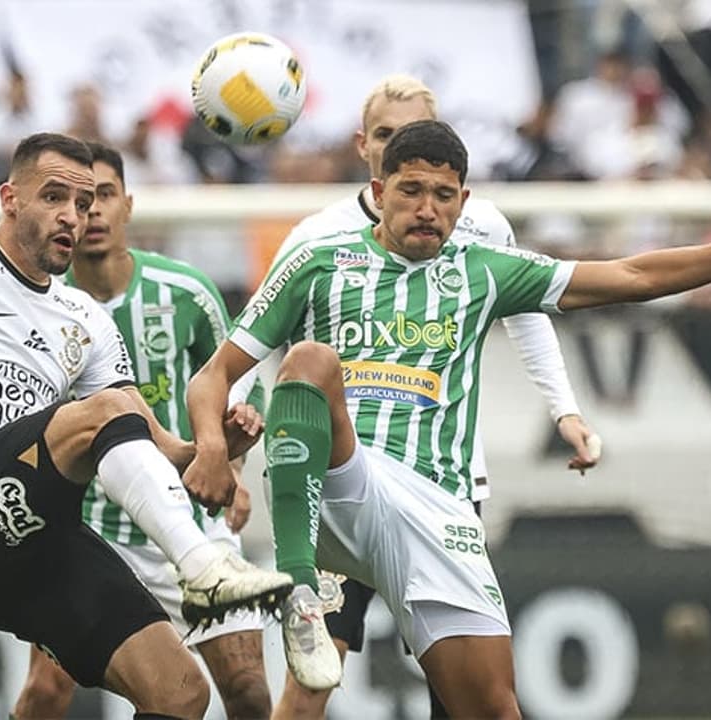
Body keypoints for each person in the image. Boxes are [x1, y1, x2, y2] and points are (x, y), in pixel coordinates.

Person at [185, 119, 711, 717]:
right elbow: (214, 376)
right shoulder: (319, 262)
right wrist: (212, 448)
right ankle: (300, 593)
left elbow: (629, 272)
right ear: (379, 192)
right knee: (311, 360)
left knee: (492, 707)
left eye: (442, 195)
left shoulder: (483, 270)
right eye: (409, 191)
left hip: (440, 507)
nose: (426, 209)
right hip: (345, 482)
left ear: (463, 202)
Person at [0, 132, 293, 720]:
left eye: (83, 203)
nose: (72, 216)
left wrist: (208, 449)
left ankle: (201, 567)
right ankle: (202, 567)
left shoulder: (88, 321)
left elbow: (143, 437)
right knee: (98, 413)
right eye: (54, 197)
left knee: (180, 693)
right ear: (9, 199)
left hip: (25, 534)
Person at [269, 74, 599, 720]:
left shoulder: (477, 228)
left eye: (421, 134)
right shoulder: (316, 238)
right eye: (389, 136)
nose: (407, 148)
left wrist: (565, 407)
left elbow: (529, 311)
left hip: (441, 486)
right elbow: (272, 348)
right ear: (366, 148)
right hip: (341, 485)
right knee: (312, 675)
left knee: (458, 695)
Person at [14, 142, 273, 719]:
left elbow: (233, 382)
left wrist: (232, 467)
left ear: (128, 205)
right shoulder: (43, 309)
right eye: (81, 202)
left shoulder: (185, 290)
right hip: (91, 534)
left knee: (250, 691)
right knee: (45, 694)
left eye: (105, 196)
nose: (94, 213)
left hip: (193, 525)